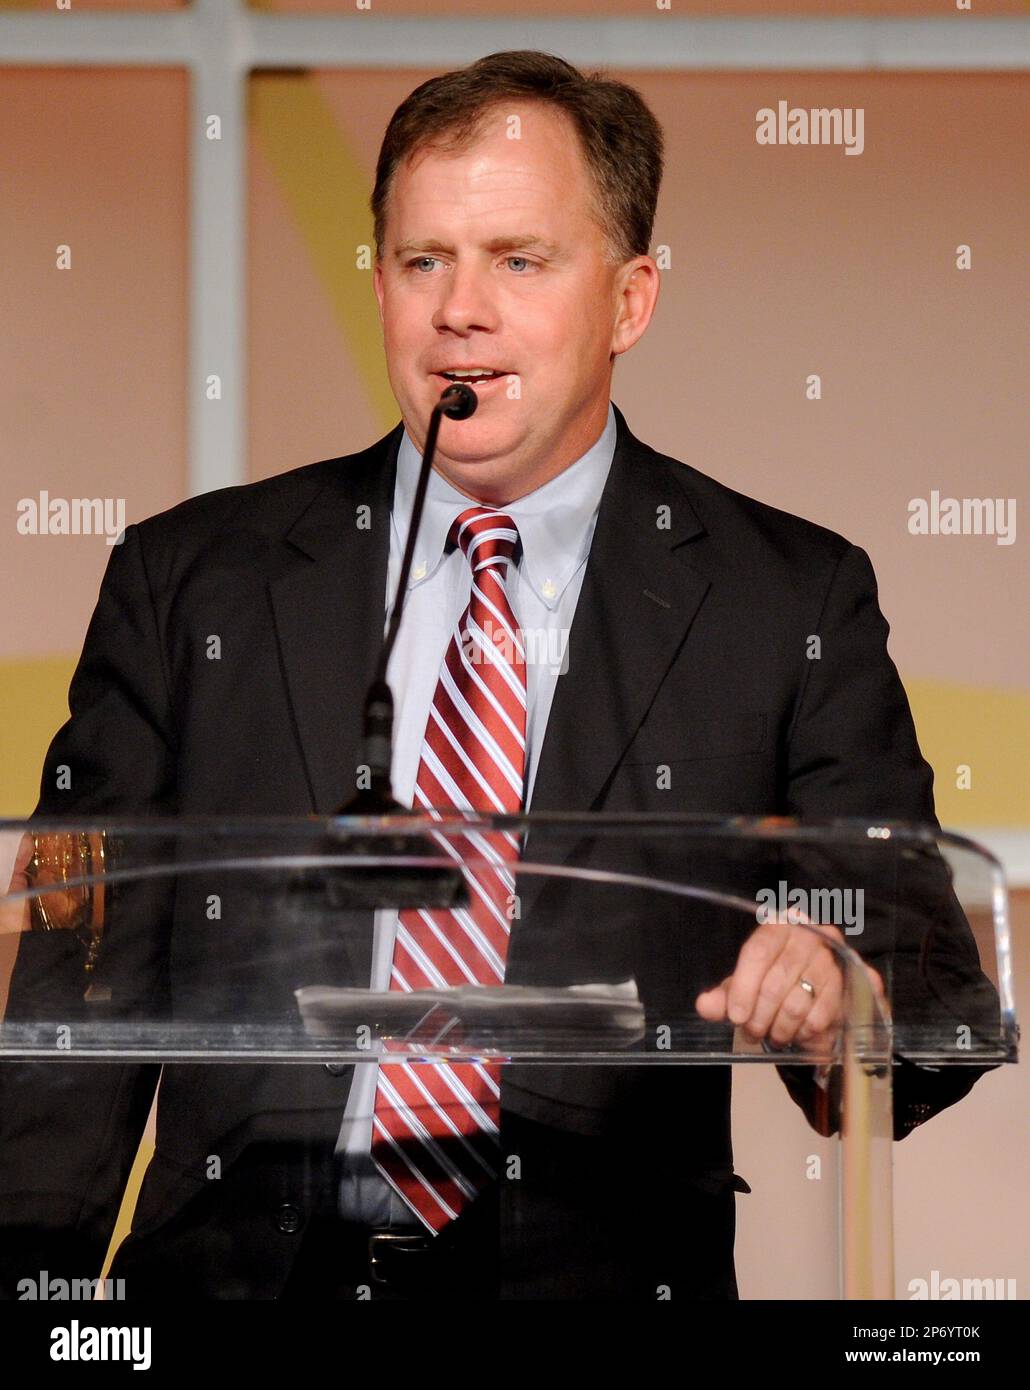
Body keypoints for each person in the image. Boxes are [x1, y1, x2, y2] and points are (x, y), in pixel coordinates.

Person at [0, 51, 998, 1301]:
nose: (457, 310)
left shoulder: (785, 598)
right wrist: (33, 1296)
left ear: (631, 299)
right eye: (423, 262)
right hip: (240, 1288)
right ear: (379, 285)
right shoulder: (190, 579)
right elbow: (76, 982)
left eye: (518, 261)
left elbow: (930, 986)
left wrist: (838, 979)